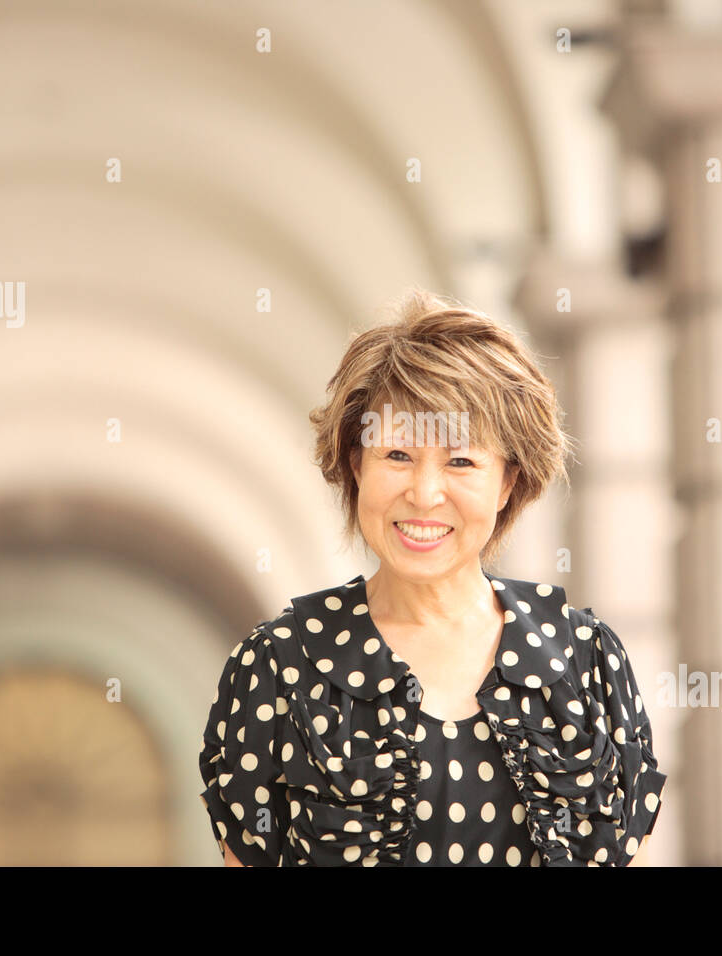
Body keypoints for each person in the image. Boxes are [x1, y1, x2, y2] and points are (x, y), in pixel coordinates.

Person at [199, 288, 667, 866]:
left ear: (508, 483)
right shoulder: (276, 669)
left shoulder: (585, 661)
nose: (423, 493)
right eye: (396, 455)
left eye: (461, 461)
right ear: (355, 464)